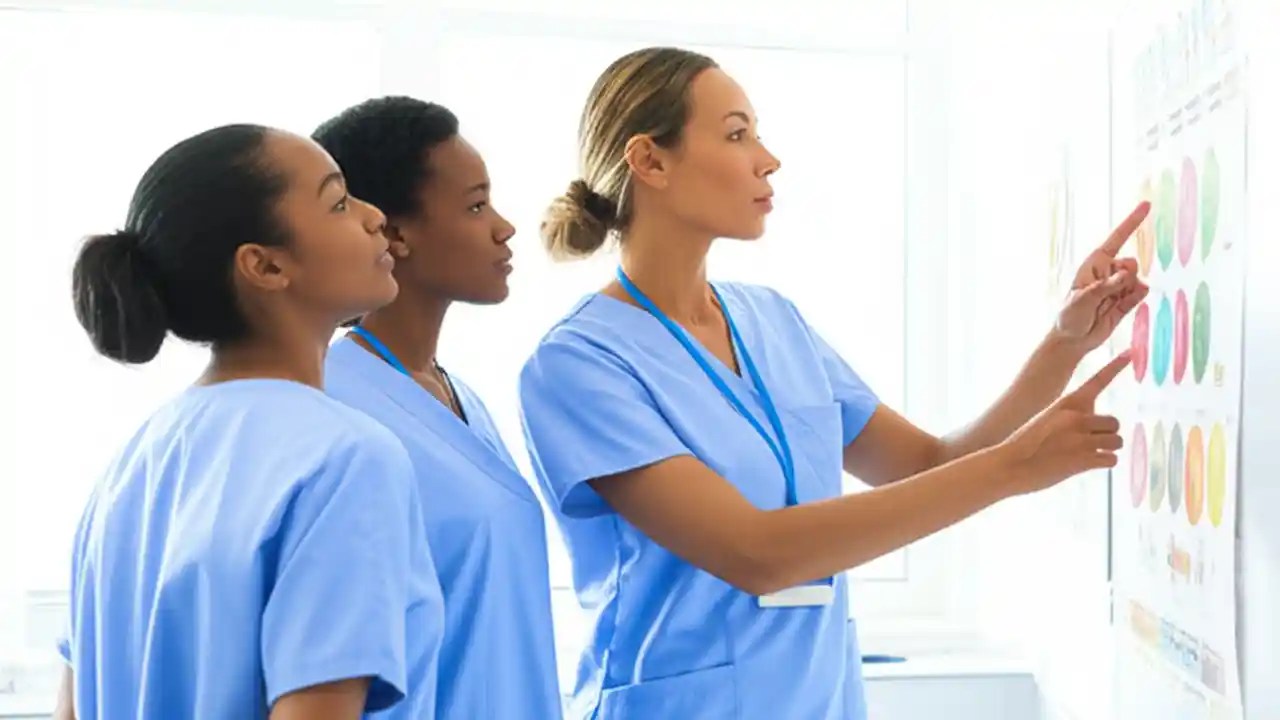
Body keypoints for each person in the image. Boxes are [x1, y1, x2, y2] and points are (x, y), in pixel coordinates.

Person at [518, 47, 1149, 720]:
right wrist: (1017, 466)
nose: (768, 158)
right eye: (737, 134)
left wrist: (1065, 345)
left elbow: (929, 466)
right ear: (650, 162)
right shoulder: (578, 366)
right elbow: (754, 552)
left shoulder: (773, 322)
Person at [52, 124, 443, 720]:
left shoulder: (130, 467)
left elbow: (72, 708)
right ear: (264, 266)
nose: (372, 216)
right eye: (338, 201)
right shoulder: (346, 457)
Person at [312, 97, 563, 719]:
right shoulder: (331, 406)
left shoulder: (461, 398)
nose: (504, 228)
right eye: (476, 206)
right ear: (393, 233)